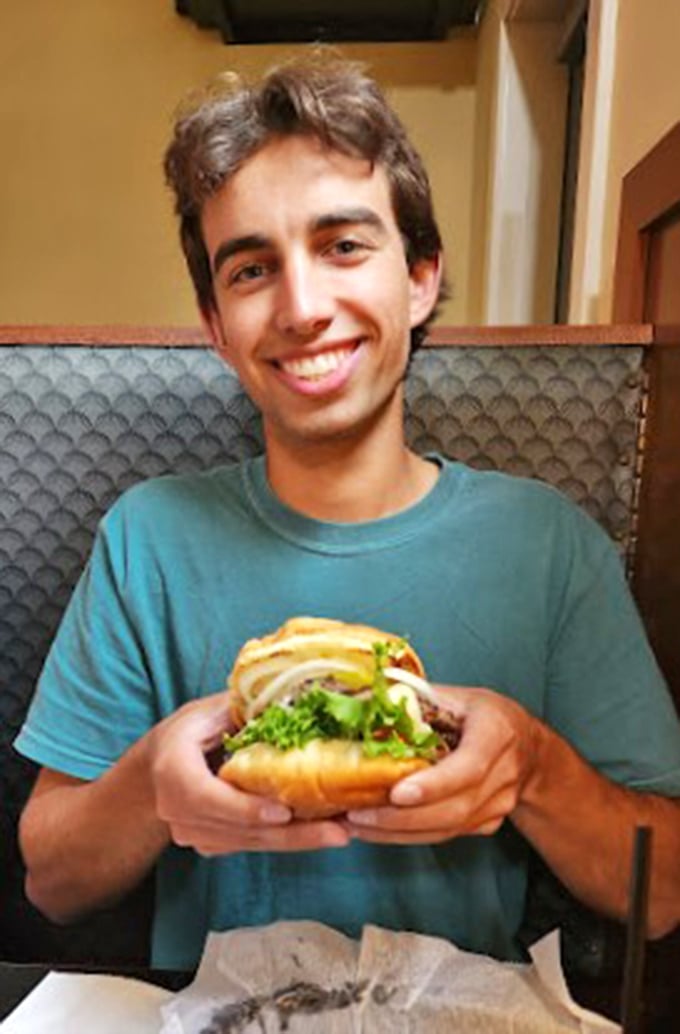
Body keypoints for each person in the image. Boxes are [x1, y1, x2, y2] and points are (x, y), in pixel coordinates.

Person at [15, 53, 680, 972]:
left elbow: (666, 892)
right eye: (251, 270)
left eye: (343, 246)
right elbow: (51, 879)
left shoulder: (550, 545)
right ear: (215, 324)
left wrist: (529, 766)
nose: (301, 307)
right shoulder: (147, 539)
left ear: (418, 277)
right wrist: (155, 782)